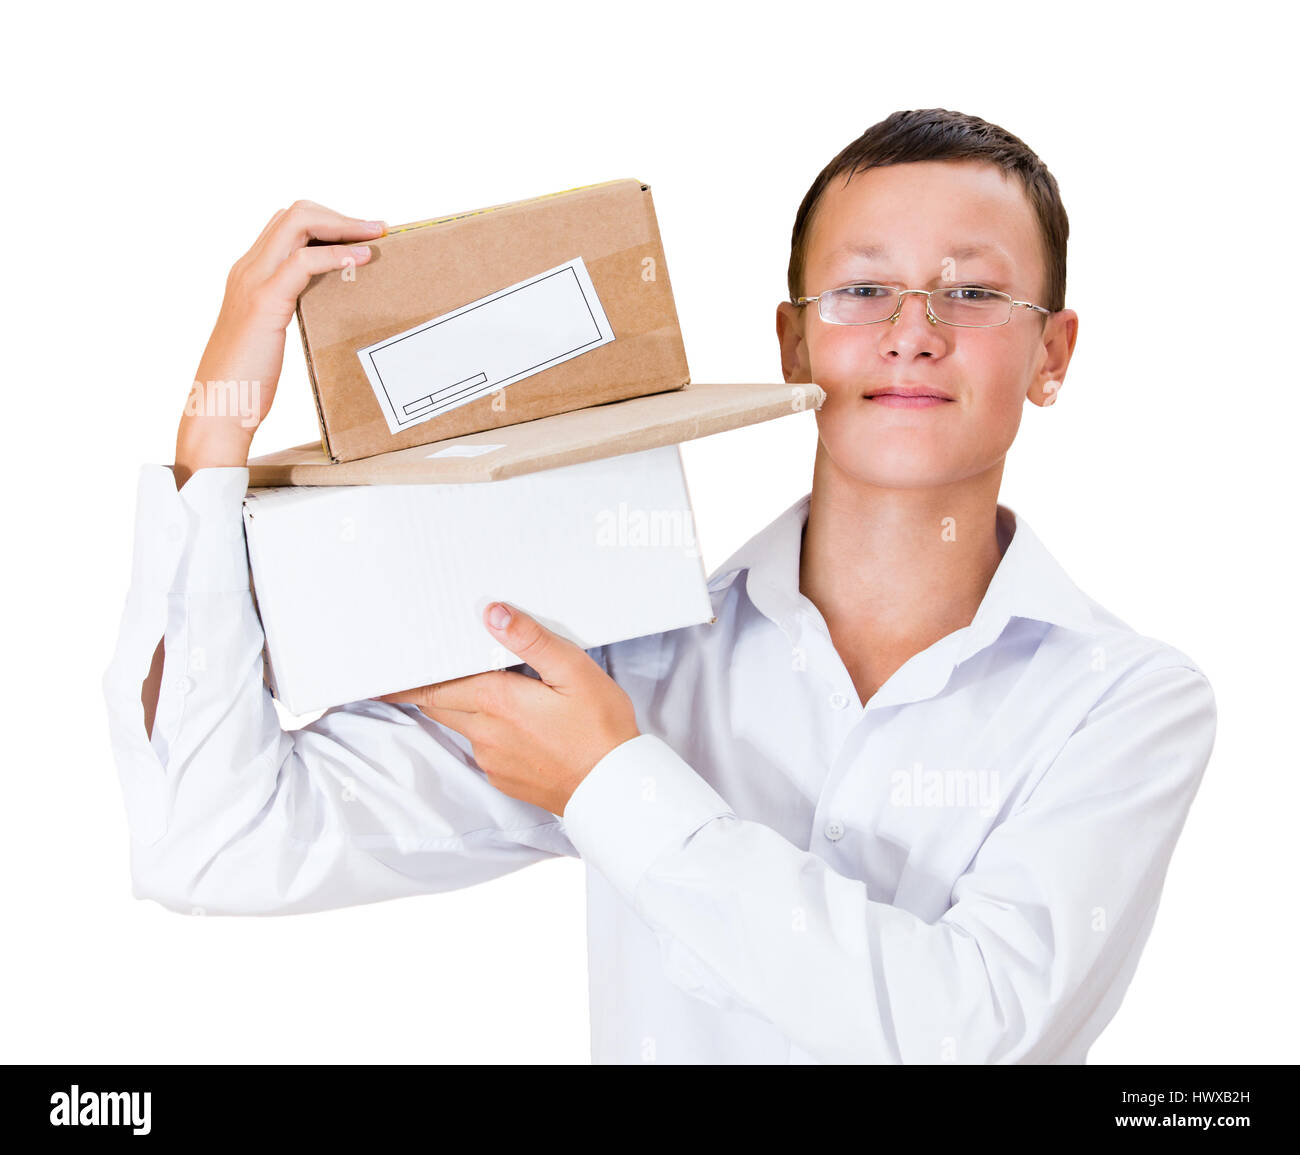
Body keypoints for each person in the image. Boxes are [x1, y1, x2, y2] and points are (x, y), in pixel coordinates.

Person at [102, 108, 1217, 1064]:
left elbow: (971, 1031)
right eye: (862, 288)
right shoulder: (627, 657)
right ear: (792, 343)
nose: (911, 336)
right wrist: (219, 424)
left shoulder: (1124, 703)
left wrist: (608, 781)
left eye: (972, 293)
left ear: (1053, 354)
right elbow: (216, 839)